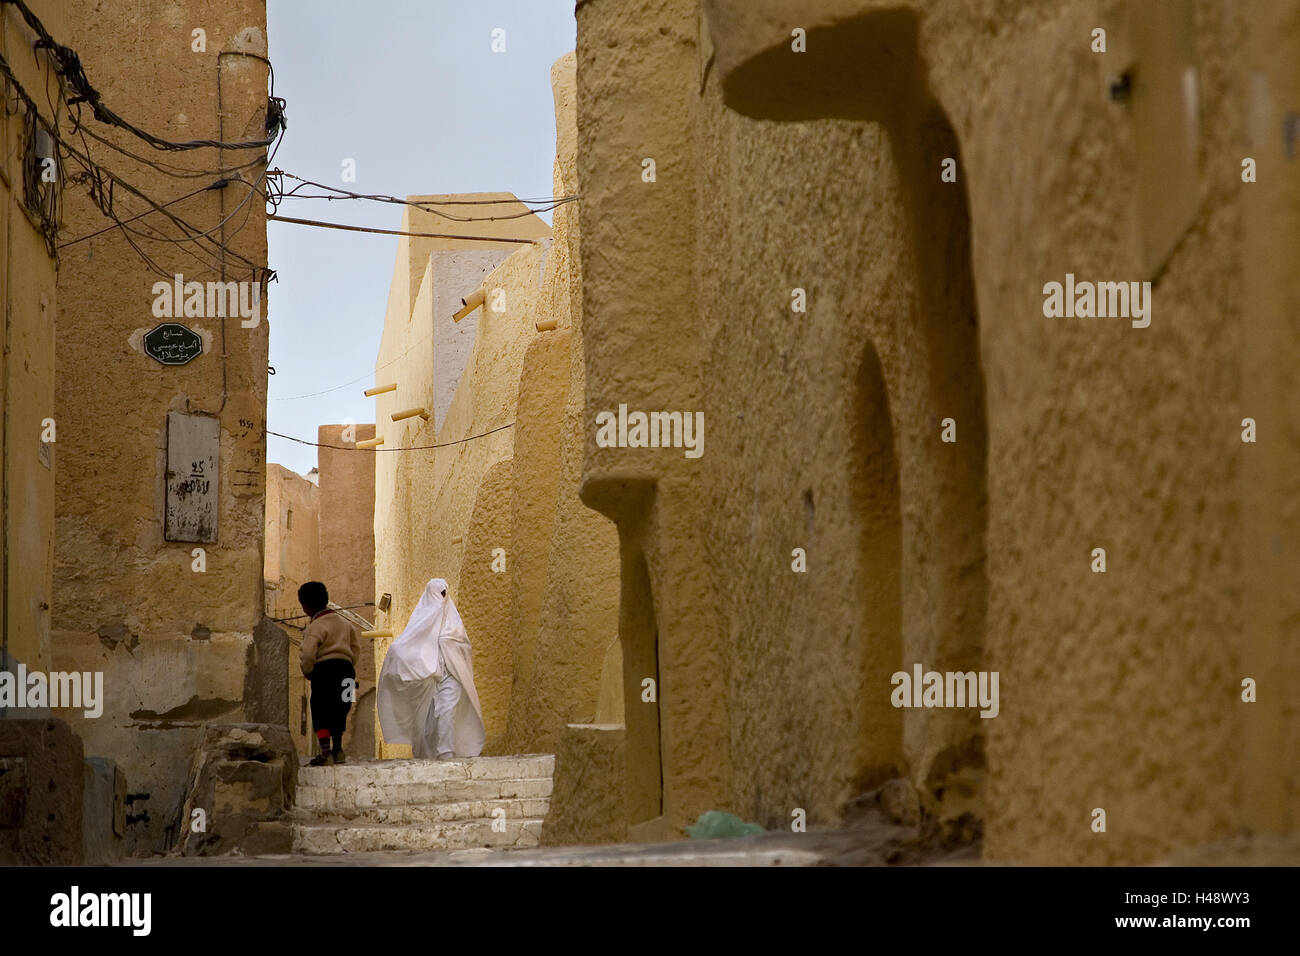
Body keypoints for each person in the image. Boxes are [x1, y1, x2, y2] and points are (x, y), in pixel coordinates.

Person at [376, 578, 485, 760]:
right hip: (429, 679)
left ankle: (446, 752)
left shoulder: (454, 623)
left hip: (452, 675)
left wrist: (449, 647)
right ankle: (429, 753)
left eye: (444, 594)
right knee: (428, 719)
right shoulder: (422, 620)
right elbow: (407, 645)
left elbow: (464, 647)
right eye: (438, 594)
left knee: (447, 709)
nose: (441, 598)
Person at [297, 581, 361, 766]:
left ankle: (325, 753)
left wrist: (308, 671)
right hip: (347, 671)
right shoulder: (345, 623)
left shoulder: (315, 627)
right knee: (342, 708)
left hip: (324, 672)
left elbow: (308, 654)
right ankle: (338, 749)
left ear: (306, 606)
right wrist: (348, 664)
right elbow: (355, 648)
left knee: (320, 709)